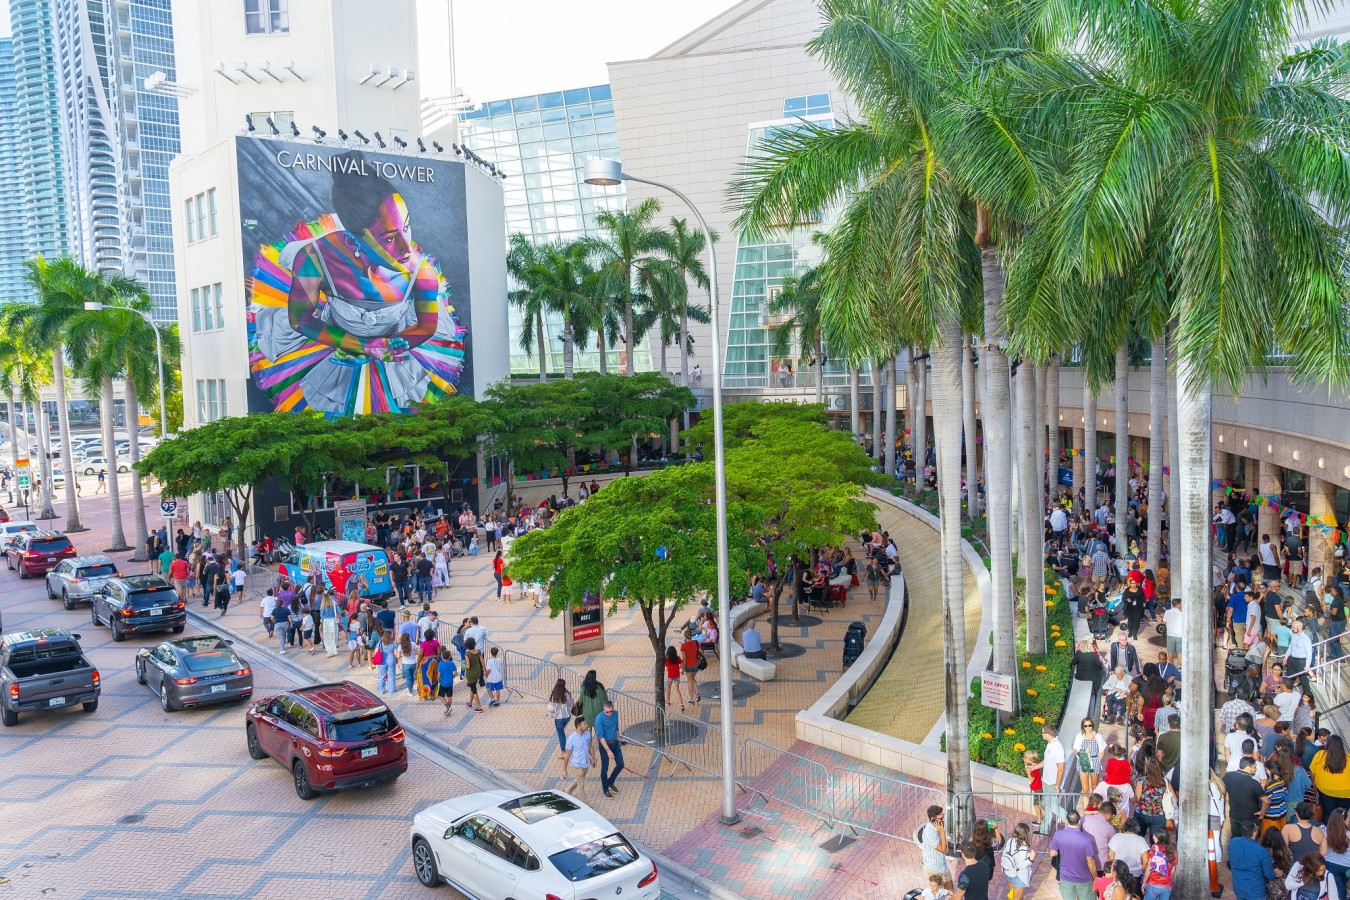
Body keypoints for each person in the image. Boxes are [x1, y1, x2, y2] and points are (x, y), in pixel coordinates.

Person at [1047, 809, 1098, 899]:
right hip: (1084, 878)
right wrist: (1095, 877)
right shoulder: (1086, 839)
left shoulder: (1058, 834)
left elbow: (1052, 853)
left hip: (1066, 877)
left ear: (1066, 821)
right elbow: (1090, 862)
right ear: (1079, 821)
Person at [1226, 756, 1267, 849]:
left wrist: (1229, 799)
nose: (1256, 770)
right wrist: (1262, 812)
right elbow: (1266, 801)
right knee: (1251, 843)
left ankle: (1236, 860)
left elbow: (1224, 790)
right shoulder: (1254, 783)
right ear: (1247, 767)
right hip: (1250, 818)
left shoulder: (1228, 776)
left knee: (1236, 840)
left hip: (1234, 815)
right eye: (1254, 767)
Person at [1230, 821, 1278, 900]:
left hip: (1238, 888)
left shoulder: (1233, 842)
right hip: (1255, 892)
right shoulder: (1262, 851)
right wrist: (1275, 873)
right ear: (1254, 833)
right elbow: (1269, 875)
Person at [561, 716, 598, 802]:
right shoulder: (571, 739)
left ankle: (566, 792)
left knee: (578, 780)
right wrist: (564, 769)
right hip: (576, 765)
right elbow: (567, 756)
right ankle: (585, 805)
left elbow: (590, 747)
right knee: (581, 784)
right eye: (584, 724)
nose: (587, 725)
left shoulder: (588, 734)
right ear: (579, 726)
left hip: (585, 764)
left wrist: (594, 758)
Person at [1314, 736, 1350, 819]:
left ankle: (1328, 830)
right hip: (1346, 792)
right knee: (1343, 815)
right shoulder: (1348, 758)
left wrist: (1315, 784)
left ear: (1328, 744)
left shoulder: (1320, 755)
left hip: (1325, 790)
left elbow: (1313, 772)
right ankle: (1341, 830)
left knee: (1327, 814)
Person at [1040, 724, 1067, 834]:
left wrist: (1057, 786)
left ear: (1047, 734)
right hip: (1046, 781)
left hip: (1052, 783)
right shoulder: (1050, 745)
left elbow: (1061, 768)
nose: (1041, 735)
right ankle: (1044, 830)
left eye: (1042, 733)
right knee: (1047, 806)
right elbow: (1046, 762)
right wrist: (1034, 767)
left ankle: (1073, 824)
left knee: (1054, 807)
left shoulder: (1057, 747)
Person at [595, 700, 624, 799]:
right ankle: (605, 789)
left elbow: (616, 727)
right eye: (607, 712)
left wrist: (618, 738)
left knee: (620, 764)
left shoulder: (615, 714)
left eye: (611, 711)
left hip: (615, 742)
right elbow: (601, 737)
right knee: (605, 768)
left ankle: (610, 781)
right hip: (605, 745)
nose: (609, 713)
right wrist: (608, 750)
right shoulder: (599, 719)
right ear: (604, 709)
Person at [999, 822, 1034, 900]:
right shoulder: (1024, 846)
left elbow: (1004, 854)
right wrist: (1030, 860)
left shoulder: (1010, 840)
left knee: (1011, 896)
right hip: (1019, 876)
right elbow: (1020, 865)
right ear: (1026, 833)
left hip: (1010, 873)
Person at [918, 805, 950, 888]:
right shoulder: (930, 832)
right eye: (940, 818)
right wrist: (942, 832)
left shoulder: (938, 827)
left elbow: (944, 849)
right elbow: (943, 849)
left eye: (943, 816)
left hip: (943, 865)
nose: (942, 820)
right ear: (933, 819)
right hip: (934, 869)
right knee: (938, 894)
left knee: (951, 891)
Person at [1073, 718, 1107, 794]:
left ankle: (1093, 804)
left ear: (1092, 725)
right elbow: (1075, 751)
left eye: (1089, 725)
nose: (1088, 728)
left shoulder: (1098, 736)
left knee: (1094, 787)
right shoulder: (1079, 736)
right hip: (1083, 761)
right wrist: (1084, 753)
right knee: (1085, 789)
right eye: (1085, 726)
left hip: (1094, 762)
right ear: (1083, 727)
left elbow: (1102, 751)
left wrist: (1098, 760)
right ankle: (1086, 805)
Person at [1142, 832, 1174, 900]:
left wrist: (1144, 882)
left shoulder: (1154, 848)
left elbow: (1149, 868)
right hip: (1167, 885)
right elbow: (1173, 870)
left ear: (1159, 839)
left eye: (1154, 837)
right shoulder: (1173, 850)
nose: (1153, 838)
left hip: (1153, 883)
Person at [546, 679, 574, 753]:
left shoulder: (553, 696)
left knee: (561, 734)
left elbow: (550, 708)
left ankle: (564, 751)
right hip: (567, 717)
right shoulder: (567, 694)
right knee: (562, 731)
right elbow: (571, 703)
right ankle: (567, 747)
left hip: (558, 718)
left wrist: (551, 716)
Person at [680, 629, 702, 704]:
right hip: (696, 664)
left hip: (688, 666)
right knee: (693, 679)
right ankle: (698, 693)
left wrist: (682, 668)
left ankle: (691, 699)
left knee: (689, 681)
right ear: (691, 635)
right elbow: (701, 652)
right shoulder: (696, 642)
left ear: (685, 636)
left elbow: (684, 658)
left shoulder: (683, 645)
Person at [463, 638, 485, 712]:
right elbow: (482, 661)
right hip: (478, 671)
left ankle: (479, 707)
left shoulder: (467, 654)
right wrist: (485, 670)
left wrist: (463, 666)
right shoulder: (479, 651)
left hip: (471, 673)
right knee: (473, 687)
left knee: (474, 690)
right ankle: (470, 703)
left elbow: (468, 666)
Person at [664, 645, 686, 712]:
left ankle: (668, 702)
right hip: (677, 676)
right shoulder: (677, 658)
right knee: (677, 690)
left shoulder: (667, 660)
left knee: (668, 689)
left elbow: (667, 669)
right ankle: (681, 704)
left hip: (670, 676)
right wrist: (680, 669)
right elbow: (682, 664)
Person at [436, 647, 455, 716]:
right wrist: (452, 677)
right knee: (449, 696)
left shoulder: (440, 664)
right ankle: (448, 709)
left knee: (440, 695)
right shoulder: (452, 663)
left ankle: (447, 707)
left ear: (442, 656)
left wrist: (438, 680)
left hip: (442, 683)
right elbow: (456, 673)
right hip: (450, 683)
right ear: (449, 656)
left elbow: (439, 675)